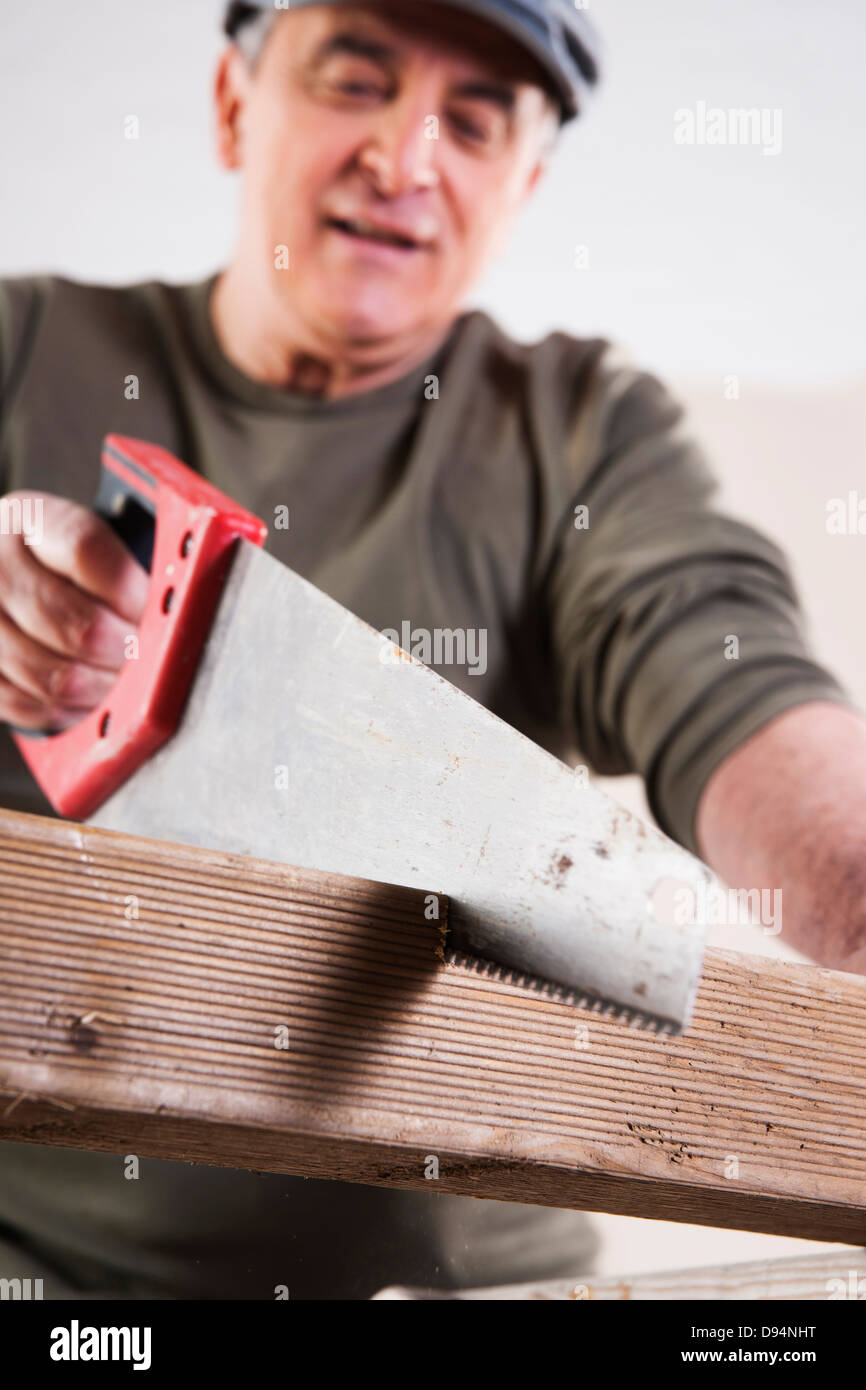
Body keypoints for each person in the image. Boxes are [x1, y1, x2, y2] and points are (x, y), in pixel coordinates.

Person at [0, 0, 863, 1301]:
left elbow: (734, 685)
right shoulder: (24, 353)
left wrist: (847, 877)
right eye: (357, 81)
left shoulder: (583, 436)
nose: (405, 161)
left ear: (525, 182)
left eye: (473, 123)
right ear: (234, 106)